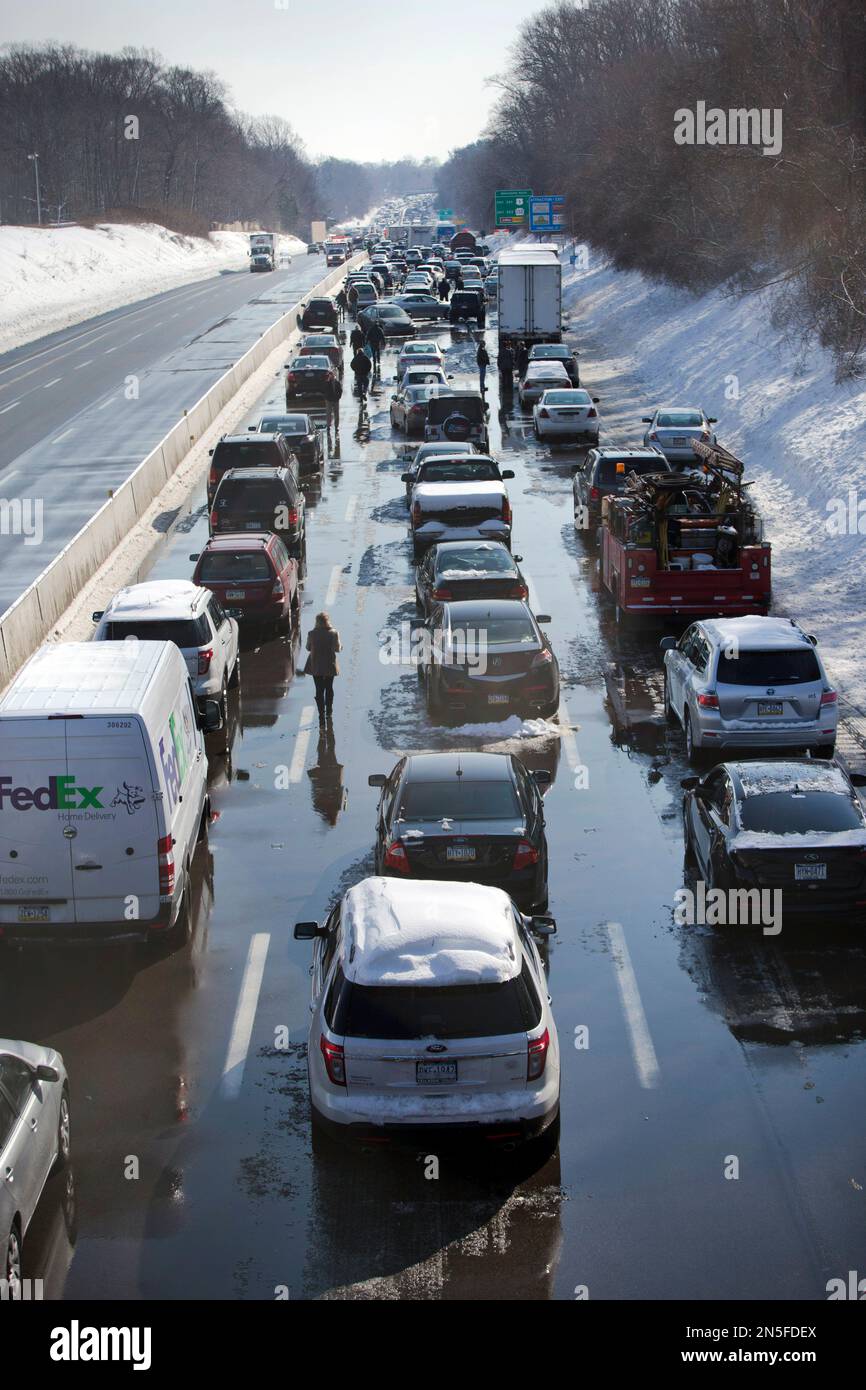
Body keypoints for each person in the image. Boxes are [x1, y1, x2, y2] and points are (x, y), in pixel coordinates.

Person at [305, 612, 342, 724]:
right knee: (329, 688)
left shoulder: (311, 634)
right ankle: (329, 711)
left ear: (317, 622)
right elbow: (338, 649)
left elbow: (307, 648)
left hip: (316, 665)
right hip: (330, 664)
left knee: (319, 690)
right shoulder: (334, 633)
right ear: (327, 621)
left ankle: (321, 713)